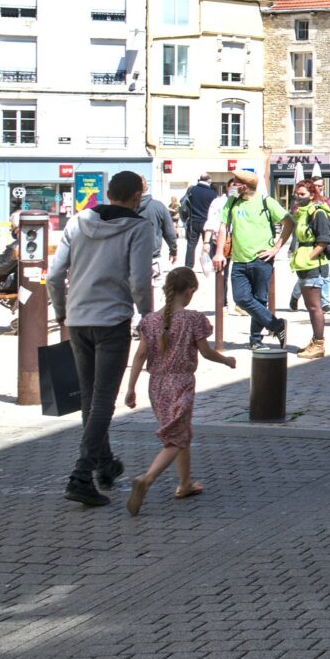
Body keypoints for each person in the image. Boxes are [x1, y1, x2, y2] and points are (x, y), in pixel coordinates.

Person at [48, 168, 157, 507]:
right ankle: (81, 475)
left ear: (108, 193)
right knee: (103, 399)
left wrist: (61, 310)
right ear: (137, 197)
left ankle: (105, 465)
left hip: (78, 318)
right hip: (112, 320)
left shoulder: (77, 221)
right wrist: (148, 316)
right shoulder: (139, 228)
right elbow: (140, 281)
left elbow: (54, 275)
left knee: (89, 397)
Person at [121, 266, 236, 515]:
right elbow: (206, 352)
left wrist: (130, 388)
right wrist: (227, 360)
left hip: (156, 385)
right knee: (177, 437)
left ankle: (185, 484)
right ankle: (147, 479)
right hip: (181, 383)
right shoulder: (193, 319)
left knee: (180, 431)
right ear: (190, 291)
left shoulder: (150, 321)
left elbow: (140, 355)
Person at [210, 171, 289, 351]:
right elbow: (223, 226)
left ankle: (255, 340)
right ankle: (277, 325)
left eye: (235, 182)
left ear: (244, 186)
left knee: (260, 300)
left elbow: (289, 222)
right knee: (241, 298)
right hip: (238, 260)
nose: (232, 185)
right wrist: (219, 252)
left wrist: (276, 248)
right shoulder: (232, 201)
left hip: (262, 259)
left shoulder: (266, 202)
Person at [287, 180, 330, 359]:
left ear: (312, 195)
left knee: (314, 306)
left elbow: (324, 240)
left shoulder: (318, 213)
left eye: (302, 194)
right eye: (296, 193)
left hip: (313, 266)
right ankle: (315, 341)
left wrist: (309, 257)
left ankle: (319, 344)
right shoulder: (302, 212)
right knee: (310, 306)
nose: (298, 197)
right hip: (304, 265)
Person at [180, 174, 217, 269]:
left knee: (191, 246)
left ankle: (188, 266)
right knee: (208, 244)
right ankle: (208, 265)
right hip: (207, 223)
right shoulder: (212, 193)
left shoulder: (192, 190)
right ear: (209, 181)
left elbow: (183, 202)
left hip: (193, 221)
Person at [139, 188, 180, 268]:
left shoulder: (124, 207)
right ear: (147, 188)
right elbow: (169, 232)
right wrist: (173, 251)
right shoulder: (158, 206)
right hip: (153, 257)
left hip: (128, 259)